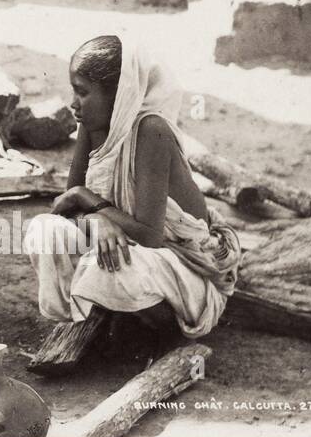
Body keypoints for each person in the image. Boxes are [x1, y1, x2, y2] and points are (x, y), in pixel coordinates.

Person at [25, 36, 241, 343]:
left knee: (108, 268)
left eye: (83, 93)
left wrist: (88, 201)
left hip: (183, 264)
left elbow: (150, 236)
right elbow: (65, 207)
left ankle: (161, 334)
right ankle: (102, 315)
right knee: (44, 231)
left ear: (119, 96)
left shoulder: (151, 131)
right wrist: (97, 221)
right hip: (134, 249)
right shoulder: (92, 124)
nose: (73, 103)